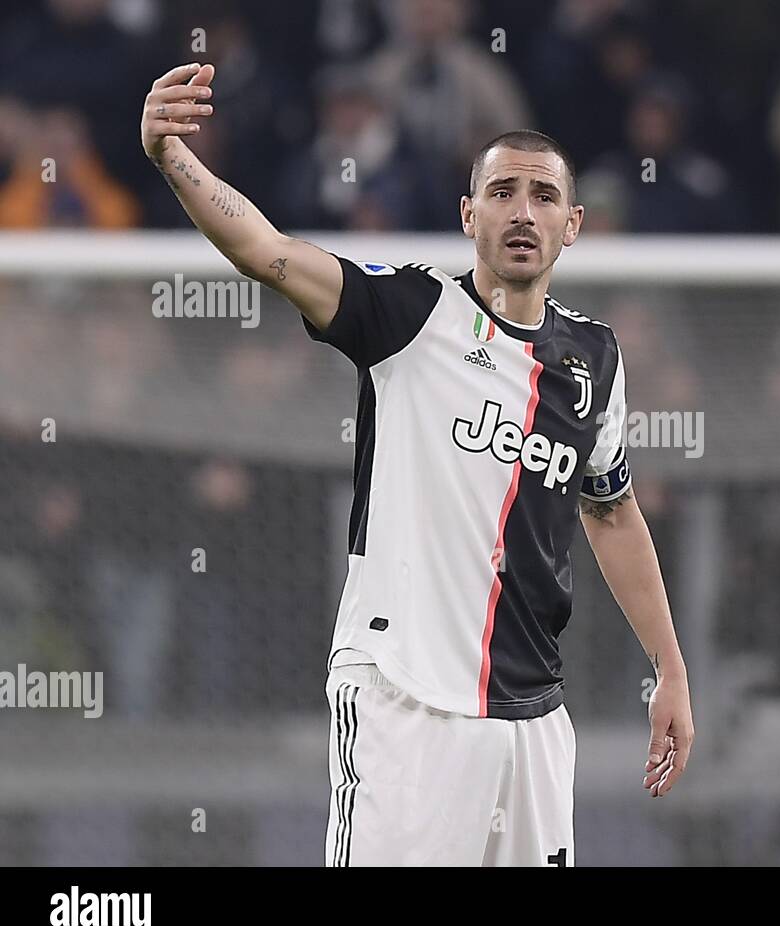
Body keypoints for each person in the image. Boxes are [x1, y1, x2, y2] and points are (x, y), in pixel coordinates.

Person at [139, 62, 694, 866]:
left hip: (533, 720)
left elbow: (610, 512)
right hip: (404, 697)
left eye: (543, 196)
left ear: (572, 226)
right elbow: (267, 253)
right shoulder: (410, 314)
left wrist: (670, 670)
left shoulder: (594, 360)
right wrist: (171, 156)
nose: (522, 213)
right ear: (469, 215)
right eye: (502, 193)